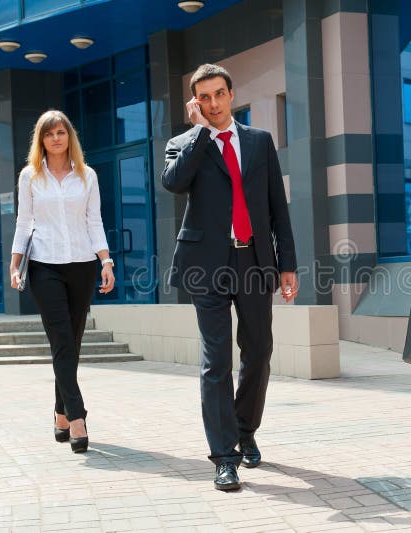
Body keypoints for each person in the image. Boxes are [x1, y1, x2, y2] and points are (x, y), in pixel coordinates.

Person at [162, 64, 297, 490]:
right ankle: (224, 456)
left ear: (231, 94)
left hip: (254, 261)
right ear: (195, 102)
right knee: (215, 361)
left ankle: (244, 430)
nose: (214, 103)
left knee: (258, 352)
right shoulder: (184, 144)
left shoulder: (259, 141)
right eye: (204, 97)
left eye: (219, 94)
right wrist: (201, 133)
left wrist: (287, 263)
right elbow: (174, 183)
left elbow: (277, 207)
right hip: (206, 265)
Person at [9, 110, 115, 454]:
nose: (55, 139)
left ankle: (59, 413)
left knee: (72, 341)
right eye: (49, 133)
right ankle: (78, 417)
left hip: (82, 265)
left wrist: (106, 261)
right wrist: (15, 264)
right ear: (41, 140)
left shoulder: (87, 176)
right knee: (61, 339)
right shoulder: (30, 176)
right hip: (44, 266)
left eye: (61, 132)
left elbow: (94, 221)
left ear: (70, 137)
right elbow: (24, 222)